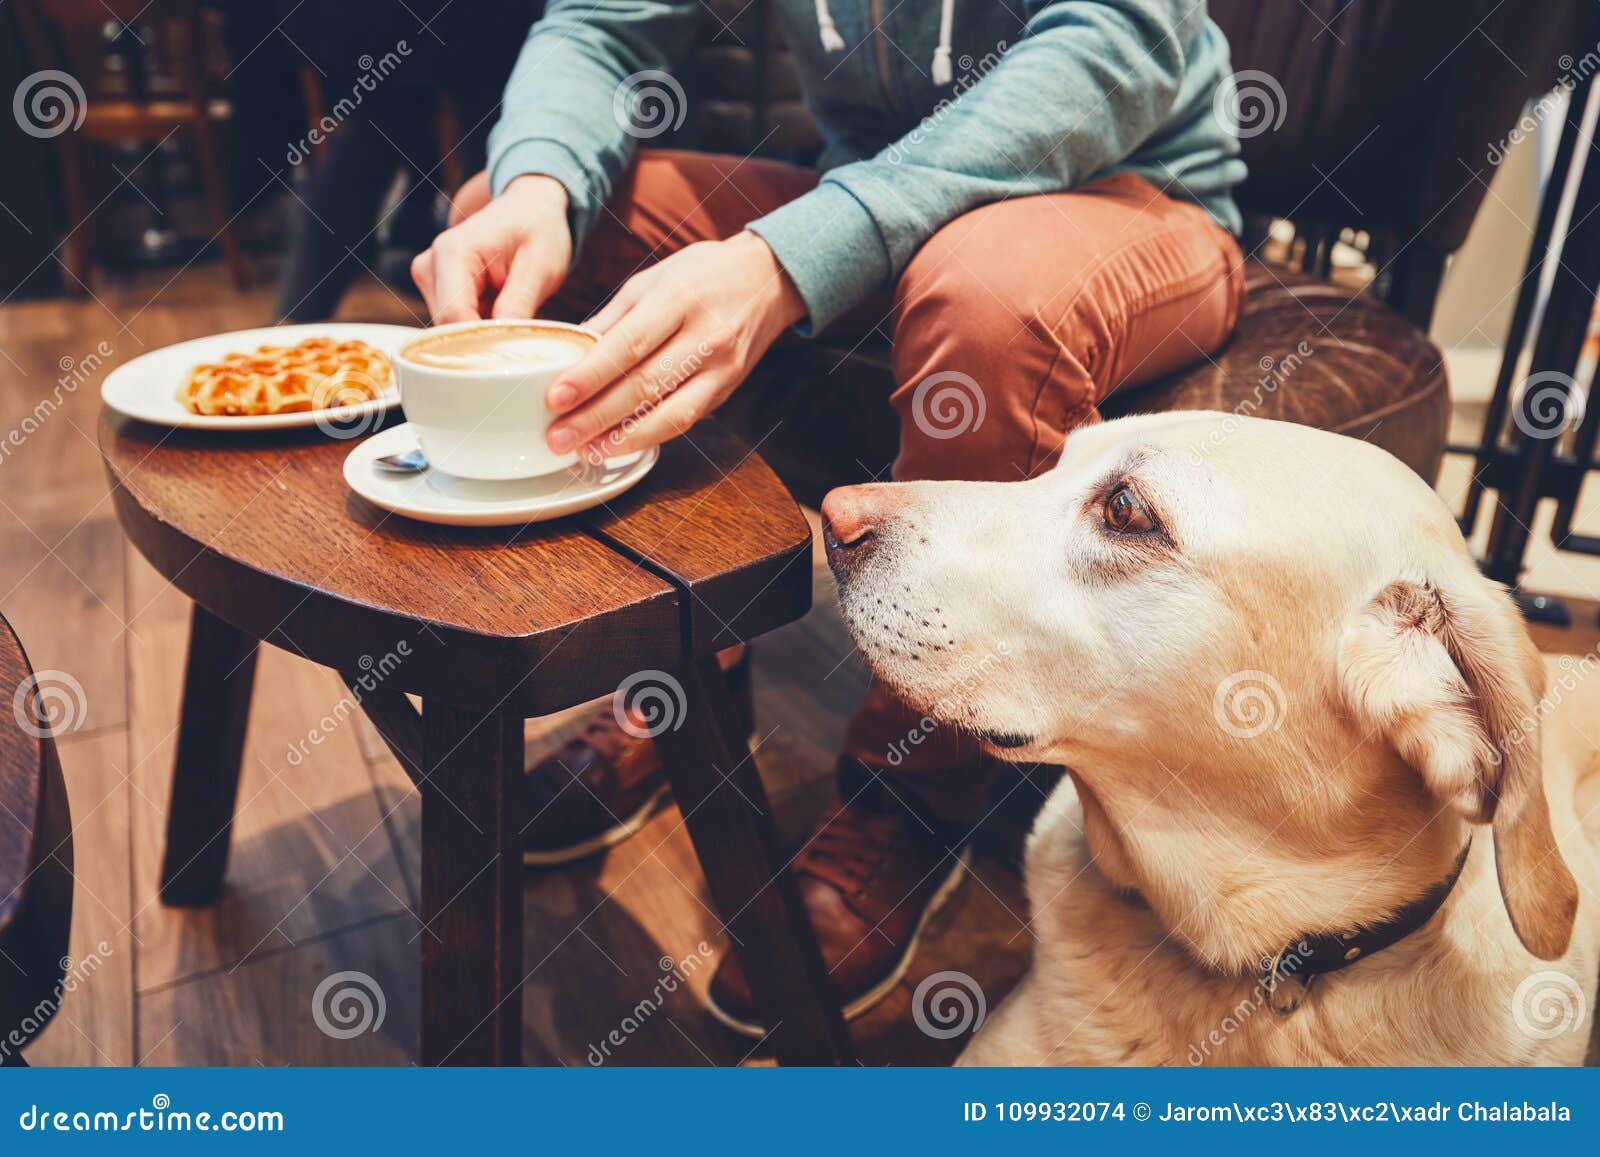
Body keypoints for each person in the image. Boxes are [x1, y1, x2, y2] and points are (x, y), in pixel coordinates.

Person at [412, 0, 1248, 1036]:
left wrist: (785, 258)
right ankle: (685, 673)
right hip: (876, 183)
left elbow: (1114, 45)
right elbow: (601, 25)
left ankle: (912, 782)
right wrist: (538, 178)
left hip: (1126, 189)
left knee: (987, 295)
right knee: (524, 202)